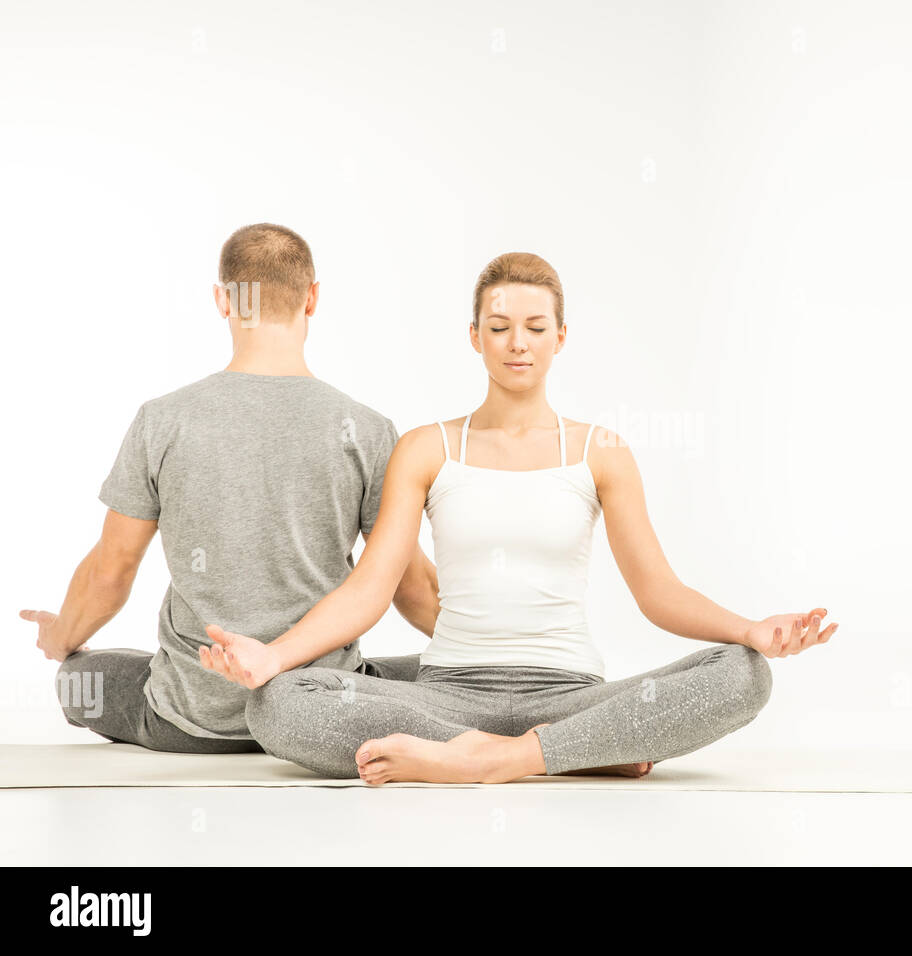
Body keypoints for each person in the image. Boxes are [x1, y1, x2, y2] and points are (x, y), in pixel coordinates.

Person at [201, 251, 837, 782]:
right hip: (446, 691)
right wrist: (274, 657)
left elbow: (659, 592)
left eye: (536, 327)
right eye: (499, 326)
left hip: (569, 691)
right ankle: (575, 751)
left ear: (561, 337)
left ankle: (498, 758)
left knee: (743, 677)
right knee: (278, 703)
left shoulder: (601, 451)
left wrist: (751, 630)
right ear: (474, 336)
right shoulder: (426, 448)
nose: (517, 343)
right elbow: (371, 588)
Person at [20, 223, 439, 752]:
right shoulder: (367, 430)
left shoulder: (163, 420)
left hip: (192, 721)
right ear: (312, 299)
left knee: (76, 680)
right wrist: (498, 660)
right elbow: (409, 585)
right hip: (320, 707)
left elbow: (112, 570)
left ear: (223, 300)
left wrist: (61, 637)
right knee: (443, 675)